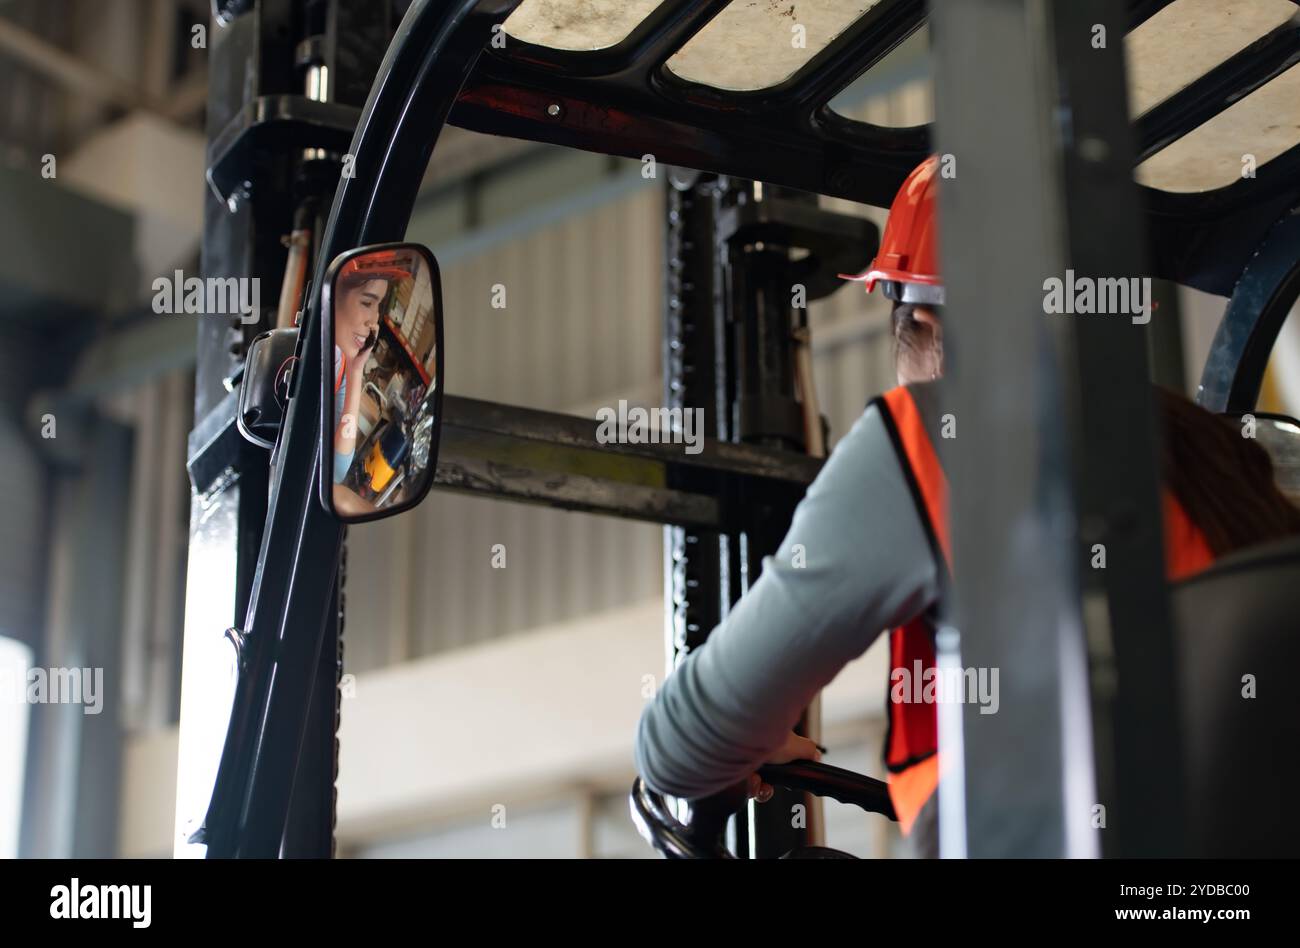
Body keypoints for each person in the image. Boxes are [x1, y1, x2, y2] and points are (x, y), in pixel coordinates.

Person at [632, 156, 1300, 854]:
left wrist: (746, 734)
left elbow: (680, 747)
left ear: (918, 315)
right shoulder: (1231, 460)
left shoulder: (932, 440)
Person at [331, 253, 410, 517]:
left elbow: (338, 469)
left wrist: (356, 371)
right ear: (331, 300)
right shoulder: (319, 362)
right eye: (367, 302)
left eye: (377, 307)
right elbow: (330, 488)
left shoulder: (341, 361)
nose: (373, 322)